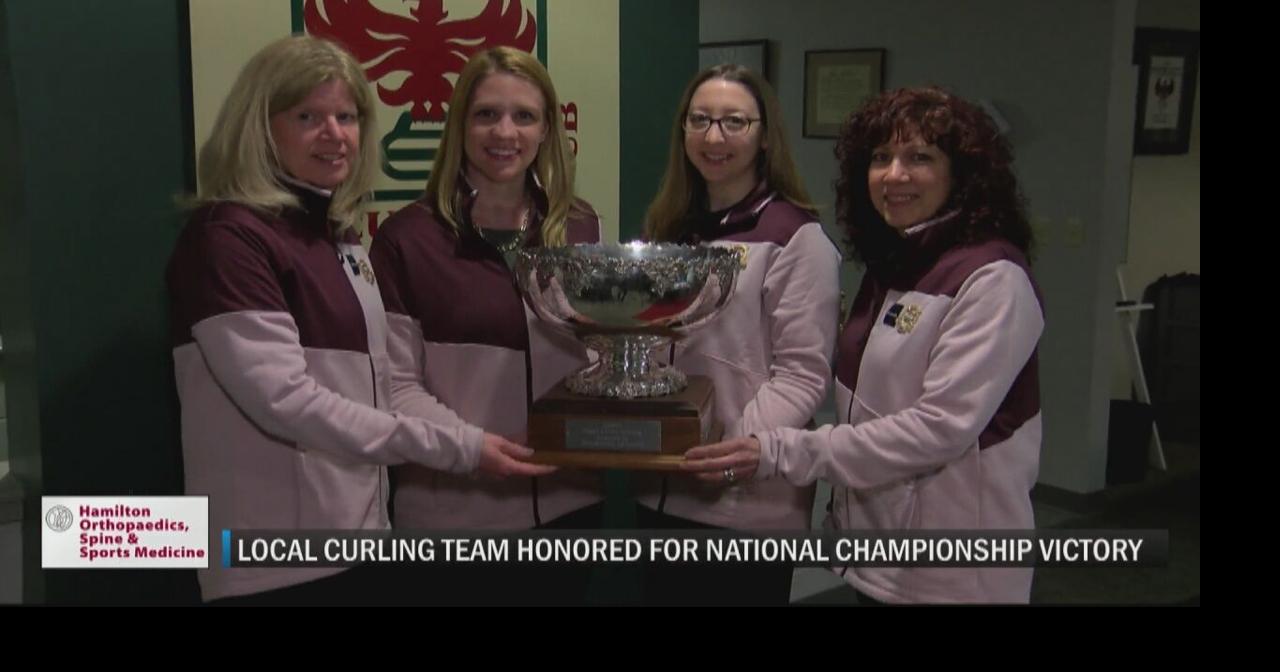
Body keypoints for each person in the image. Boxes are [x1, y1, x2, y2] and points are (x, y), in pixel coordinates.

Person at [167, 36, 549, 605]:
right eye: (308, 116)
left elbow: (374, 386)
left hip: (359, 544)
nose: (334, 134)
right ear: (259, 126)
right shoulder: (228, 237)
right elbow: (287, 401)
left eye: (346, 117)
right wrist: (461, 448)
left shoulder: (337, 236)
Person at [683, 86, 1044, 604]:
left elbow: (938, 428)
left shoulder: (993, 279)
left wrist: (783, 449)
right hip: (881, 562)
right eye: (881, 158)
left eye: (919, 157)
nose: (895, 175)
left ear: (963, 174)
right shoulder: (896, 265)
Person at [369, 47, 603, 605]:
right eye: (486, 114)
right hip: (452, 519)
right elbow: (397, 385)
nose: (505, 132)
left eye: (524, 116)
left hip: (569, 511)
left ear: (548, 128)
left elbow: (595, 359)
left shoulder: (579, 226)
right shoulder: (407, 239)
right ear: (459, 126)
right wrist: (475, 449)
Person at [637, 64, 841, 605]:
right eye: (699, 120)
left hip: (747, 503)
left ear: (765, 136)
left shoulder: (797, 238)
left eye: (734, 122)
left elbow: (803, 375)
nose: (714, 137)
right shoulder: (666, 229)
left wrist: (730, 452)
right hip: (660, 490)